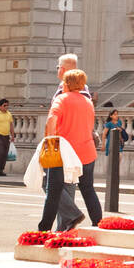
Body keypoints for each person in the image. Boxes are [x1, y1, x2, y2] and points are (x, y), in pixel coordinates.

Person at [37, 69, 102, 231]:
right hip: (86, 151)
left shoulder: (62, 99)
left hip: (64, 151)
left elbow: (52, 119)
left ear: (67, 84)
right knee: (88, 188)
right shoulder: (88, 102)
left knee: (53, 189)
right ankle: (98, 222)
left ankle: (45, 228)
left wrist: (49, 139)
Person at [50, 54, 94, 231]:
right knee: (68, 185)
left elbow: (52, 121)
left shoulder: (65, 94)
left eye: (58, 67)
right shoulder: (85, 96)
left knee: (54, 183)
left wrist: (48, 141)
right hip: (82, 146)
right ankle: (64, 226)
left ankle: (70, 217)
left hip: (66, 145)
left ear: (63, 70)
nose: (57, 70)